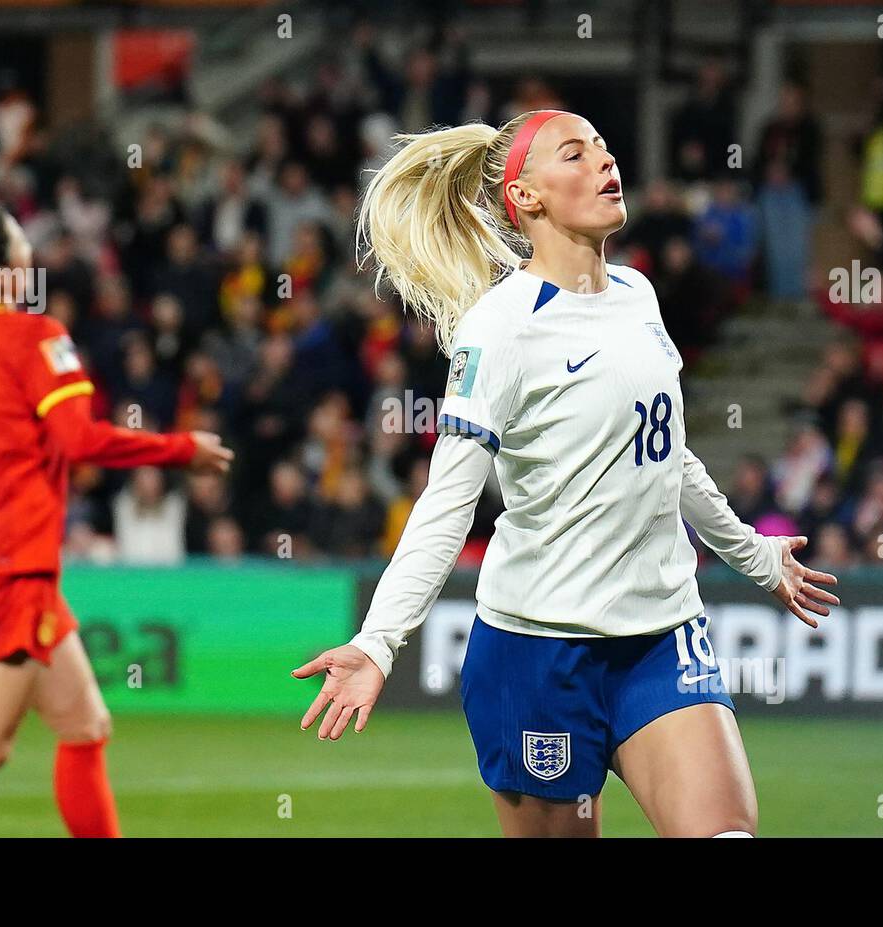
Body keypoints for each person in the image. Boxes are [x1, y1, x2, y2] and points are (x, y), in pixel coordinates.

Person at [293, 111, 839, 837]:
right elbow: (447, 500)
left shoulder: (638, 295)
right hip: (536, 654)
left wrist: (751, 552)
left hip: (660, 635)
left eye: (606, 149)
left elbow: (667, 453)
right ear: (526, 198)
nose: (605, 163)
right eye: (575, 155)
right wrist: (379, 639)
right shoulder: (501, 327)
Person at [0, 202, 234, 838]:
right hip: (15, 565)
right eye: (22, 242)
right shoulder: (37, 338)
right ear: (1, 266)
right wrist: (179, 449)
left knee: (86, 728)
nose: (32, 253)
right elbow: (79, 441)